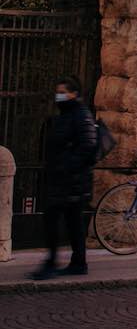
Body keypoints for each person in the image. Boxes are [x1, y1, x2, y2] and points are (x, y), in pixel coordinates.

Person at [34, 75, 98, 280]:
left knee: (58, 220)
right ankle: (76, 262)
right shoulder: (65, 115)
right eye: (58, 91)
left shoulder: (81, 115)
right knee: (72, 222)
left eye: (63, 92)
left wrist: (67, 166)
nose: (59, 95)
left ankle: (56, 262)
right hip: (62, 179)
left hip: (71, 180)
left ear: (74, 94)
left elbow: (88, 146)